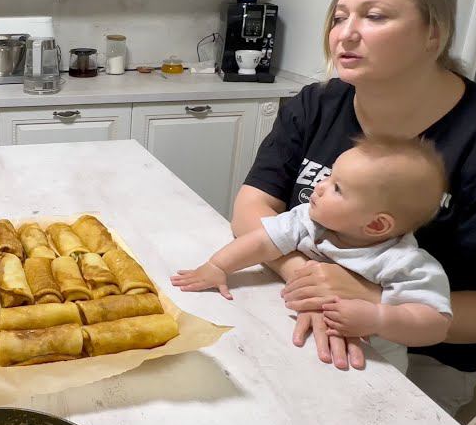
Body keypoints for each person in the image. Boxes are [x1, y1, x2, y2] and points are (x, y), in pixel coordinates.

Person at [227, 0, 476, 414]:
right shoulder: (316, 104)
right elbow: (251, 208)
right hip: (298, 305)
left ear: (434, 33)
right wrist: (307, 279)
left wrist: (371, 303)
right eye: (340, 17)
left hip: (425, 353)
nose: (345, 34)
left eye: (375, 17)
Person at [173, 136, 453, 372]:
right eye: (329, 176)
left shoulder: (405, 263)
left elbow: (436, 324)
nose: (320, 185)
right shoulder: (309, 220)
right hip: (300, 340)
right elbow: (262, 241)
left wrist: (378, 318)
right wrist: (218, 266)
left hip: (372, 362)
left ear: (376, 225)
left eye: (337, 188)